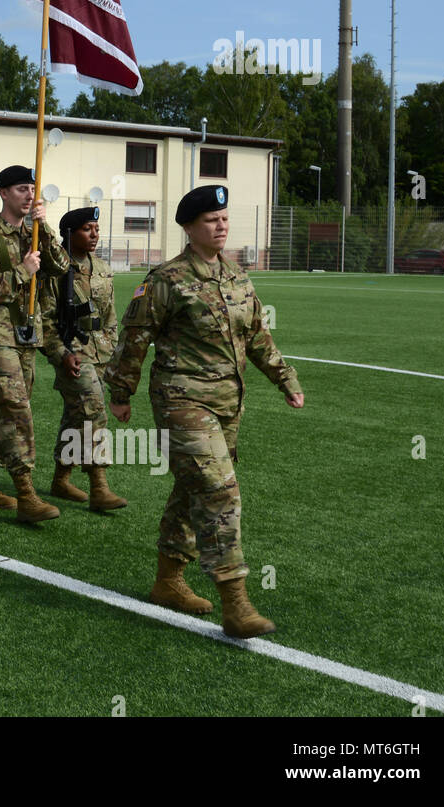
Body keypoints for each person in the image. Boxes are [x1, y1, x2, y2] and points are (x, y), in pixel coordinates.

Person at [104, 185, 305, 638]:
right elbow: (136, 336)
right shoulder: (166, 280)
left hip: (227, 404)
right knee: (218, 492)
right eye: (212, 219)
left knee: (192, 487)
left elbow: (257, 337)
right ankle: (236, 603)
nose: (222, 225)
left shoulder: (236, 276)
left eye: (225, 217)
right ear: (190, 227)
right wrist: (121, 391)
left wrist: (285, 379)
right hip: (181, 400)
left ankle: (167, 579)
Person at [0, 166, 69, 524]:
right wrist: (22, 271)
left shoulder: (35, 234)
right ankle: (26, 492)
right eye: (22, 189)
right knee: (17, 411)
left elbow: (61, 266)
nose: (29, 195)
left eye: (32, 190)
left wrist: (47, 229)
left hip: (26, 336)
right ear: (4, 193)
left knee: (6, 413)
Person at [38, 205, 128, 511]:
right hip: (70, 350)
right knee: (93, 411)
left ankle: (61, 479)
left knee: (76, 414)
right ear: (69, 233)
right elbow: (45, 319)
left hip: (100, 350)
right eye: (87, 229)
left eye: (97, 229)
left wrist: (112, 348)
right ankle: (99, 485)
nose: (94, 234)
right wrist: (61, 354)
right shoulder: (56, 270)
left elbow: (110, 315)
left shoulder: (102, 268)